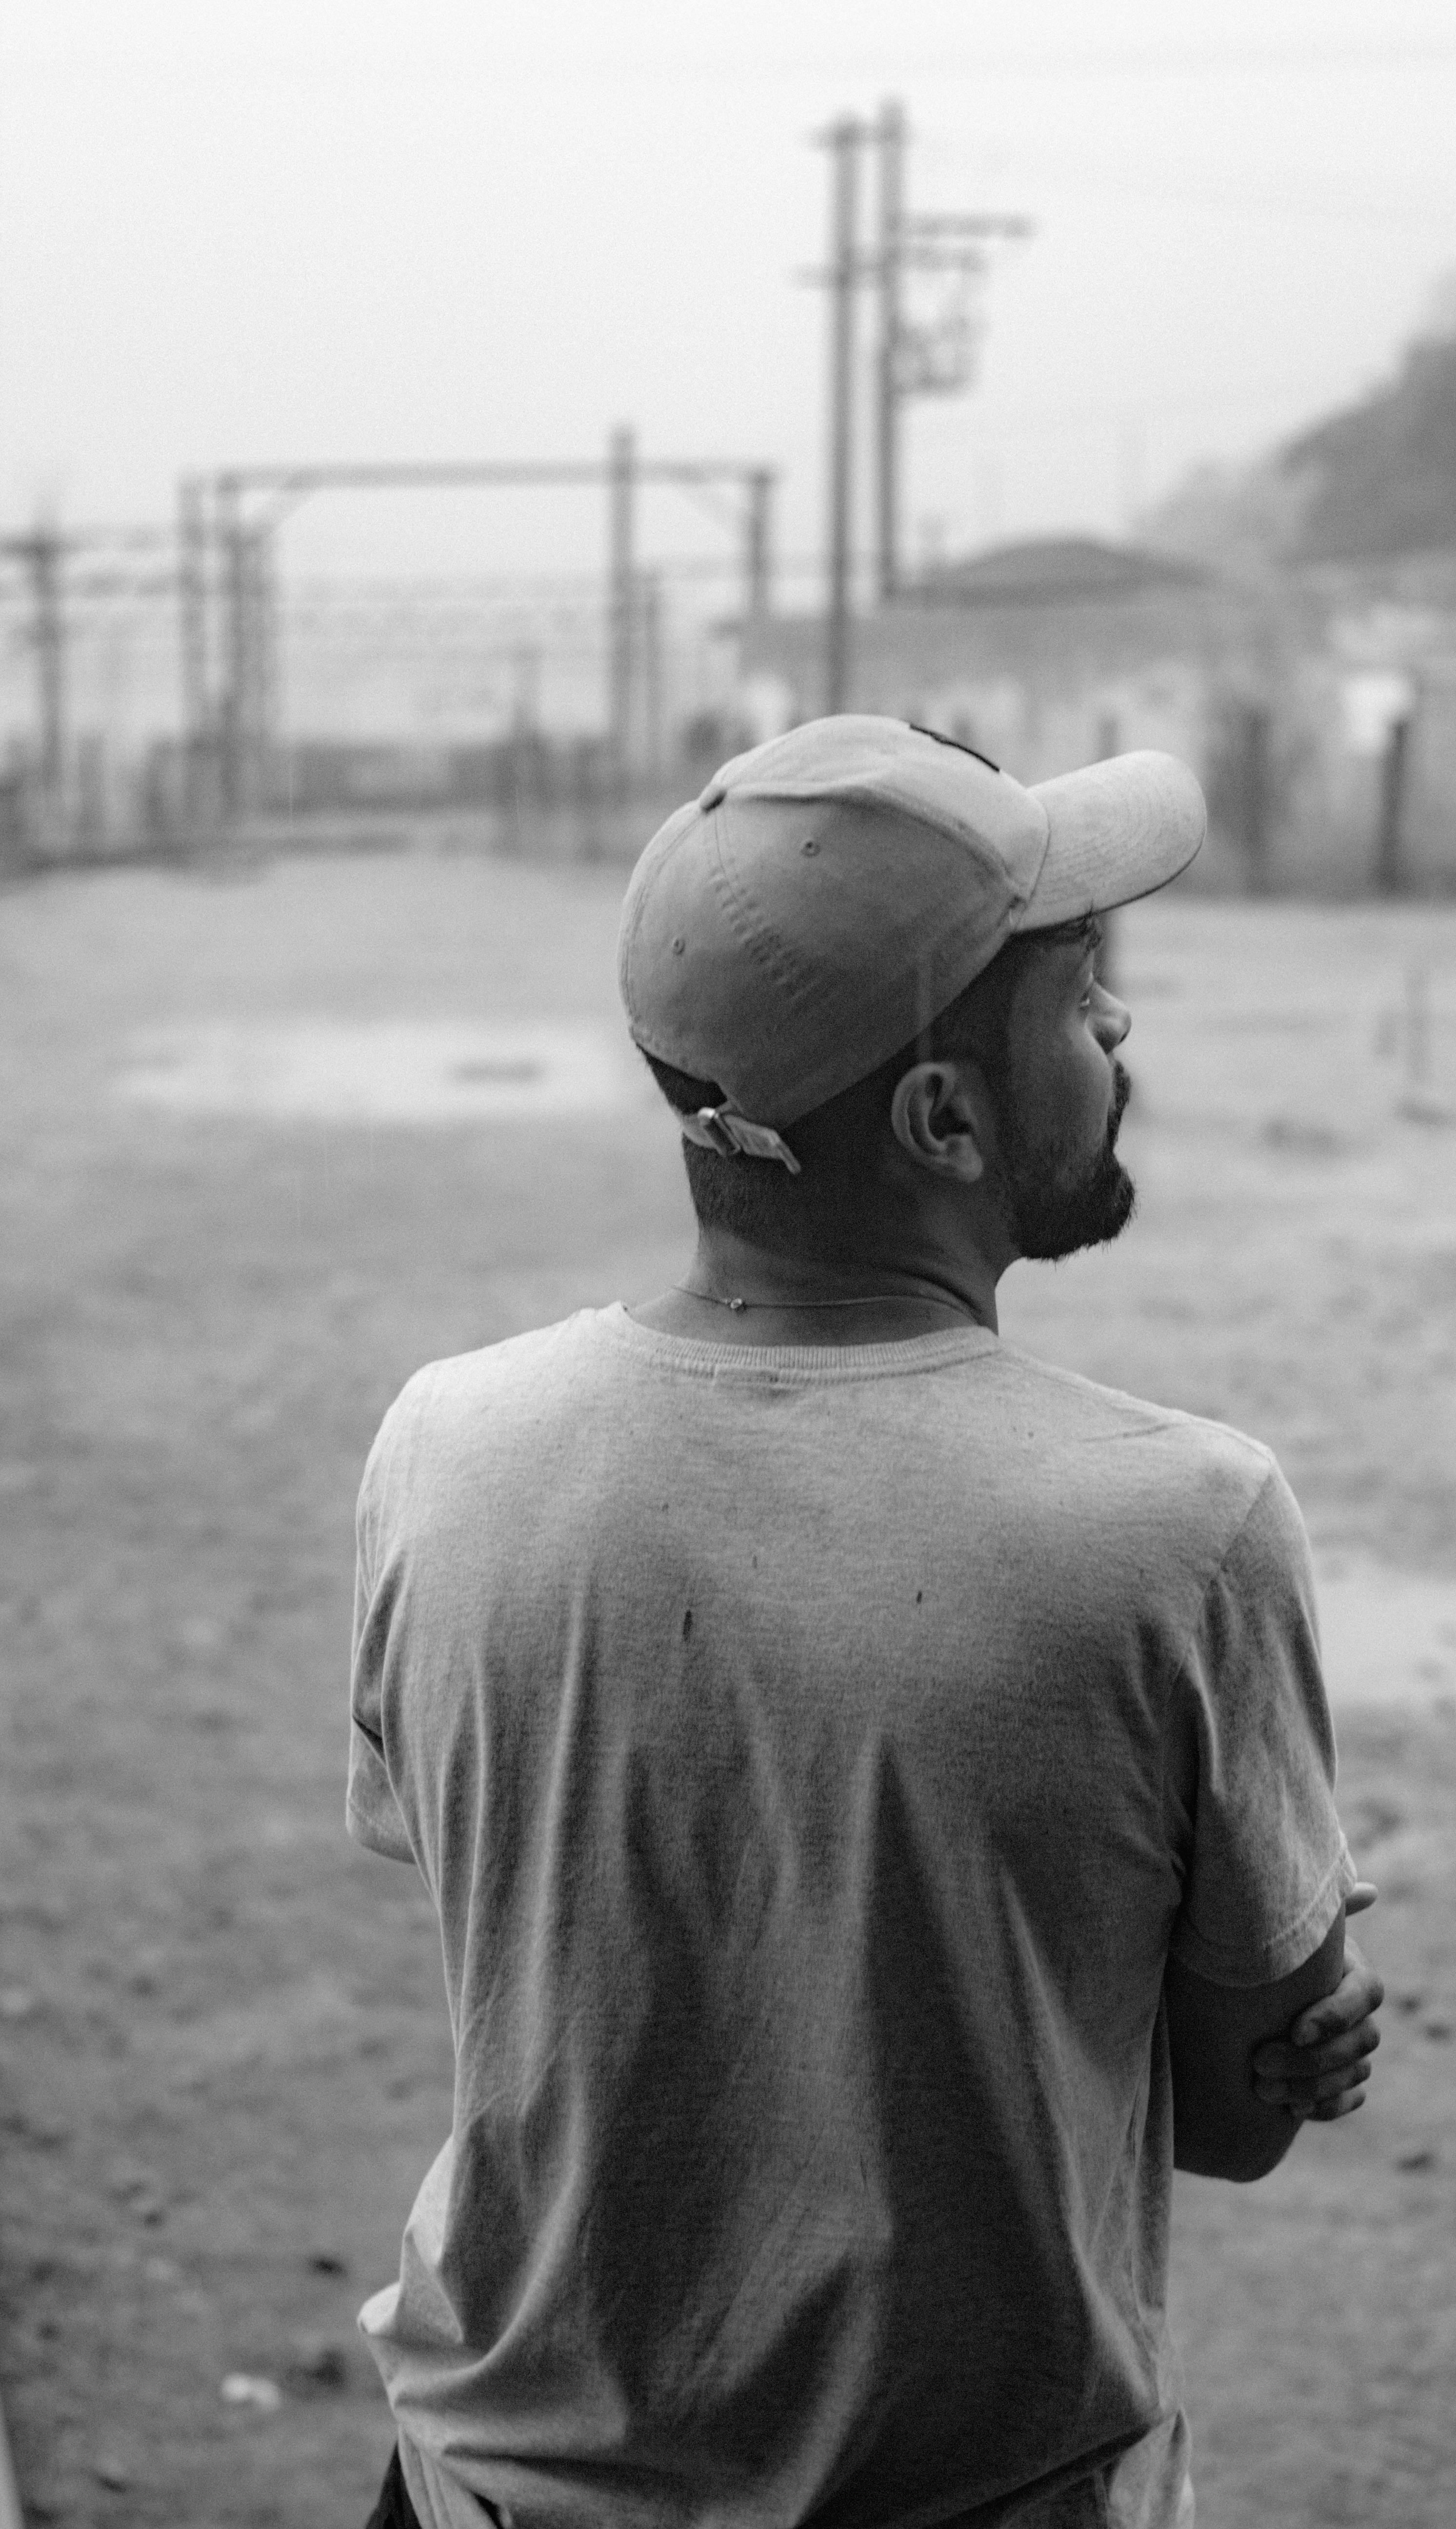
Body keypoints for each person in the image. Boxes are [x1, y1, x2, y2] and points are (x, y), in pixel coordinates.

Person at [349, 716, 1384, 2529]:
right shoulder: (1180, 1528)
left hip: (479, 2496)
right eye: (1079, 997)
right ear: (944, 1116)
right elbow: (1236, 2117)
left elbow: (538, 1912)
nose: (1120, 1029)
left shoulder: (447, 1448)